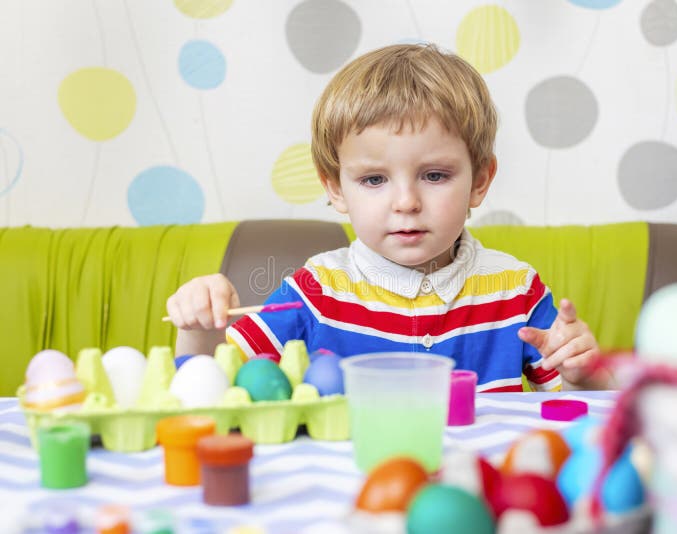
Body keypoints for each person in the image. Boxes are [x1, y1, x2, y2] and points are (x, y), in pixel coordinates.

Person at [166, 43, 612, 391]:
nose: (406, 202)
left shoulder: (517, 291)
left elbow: (579, 403)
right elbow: (211, 386)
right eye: (375, 180)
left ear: (479, 181)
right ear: (336, 189)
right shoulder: (316, 291)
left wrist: (582, 371)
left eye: (434, 175)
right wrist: (198, 329)